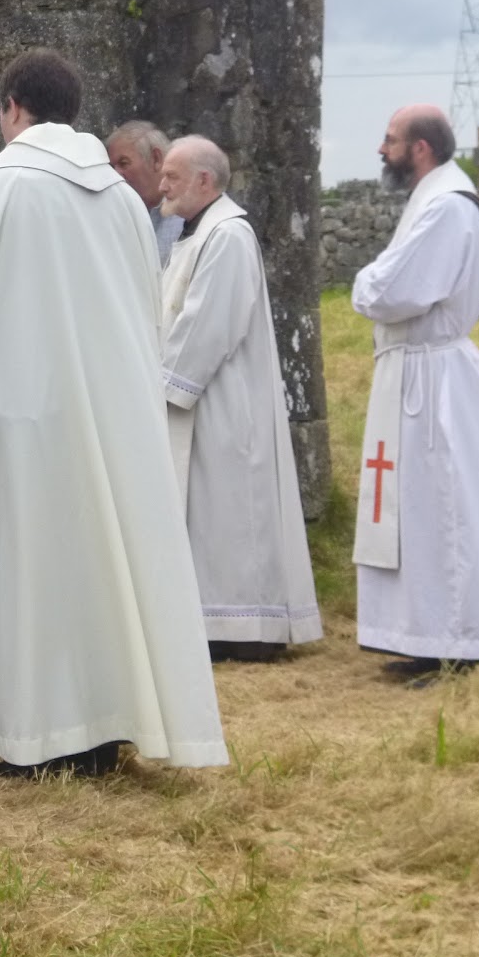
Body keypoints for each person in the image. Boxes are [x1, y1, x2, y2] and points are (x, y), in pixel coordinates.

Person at [0, 48, 226, 779]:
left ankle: (36, 734)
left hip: (17, 417)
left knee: (27, 570)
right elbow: (147, 308)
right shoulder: (120, 200)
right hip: (112, 415)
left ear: (12, 106)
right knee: (102, 569)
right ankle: (105, 728)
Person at [352, 104, 479, 680]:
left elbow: (387, 289)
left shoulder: (446, 209)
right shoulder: (435, 200)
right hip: (421, 377)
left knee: (448, 512)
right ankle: (430, 636)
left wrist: (364, 280)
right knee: (423, 511)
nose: (382, 151)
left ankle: (460, 639)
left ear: (421, 148)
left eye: (390, 140)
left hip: (436, 387)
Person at [157, 136, 322, 662]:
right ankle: (212, 620)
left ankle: (245, 625)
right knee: (207, 517)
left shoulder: (227, 235)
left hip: (223, 403)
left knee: (230, 513)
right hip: (203, 400)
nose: (161, 186)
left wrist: (162, 386)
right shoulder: (197, 233)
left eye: (173, 177)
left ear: (205, 181)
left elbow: (208, 324)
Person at [107, 120, 183, 266]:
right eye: (111, 167)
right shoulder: (118, 214)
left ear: (156, 159)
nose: (115, 175)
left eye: (123, 163)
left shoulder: (189, 215)